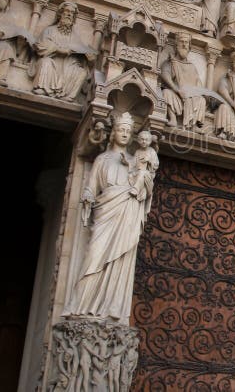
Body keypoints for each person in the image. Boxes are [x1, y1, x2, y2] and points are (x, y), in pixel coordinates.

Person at [64, 113, 155, 323]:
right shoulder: (102, 159)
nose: (124, 134)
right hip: (106, 211)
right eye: (121, 130)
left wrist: (144, 180)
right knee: (94, 256)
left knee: (119, 258)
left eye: (128, 131)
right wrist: (87, 195)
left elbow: (145, 188)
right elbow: (91, 187)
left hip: (127, 212)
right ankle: (80, 305)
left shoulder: (135, 161)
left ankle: (109, 306)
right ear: (113, 133)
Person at [32, 2, 95, 101]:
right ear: (60, 14)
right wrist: (58, 49)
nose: (69, 14)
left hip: (67, 67)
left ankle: (68, 96)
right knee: (45, 62)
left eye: (72, 13)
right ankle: (43, 87)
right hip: (52, 62)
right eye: (67, 11)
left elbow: (83, 56)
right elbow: (41, 46)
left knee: (82, 72)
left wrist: (90, 59)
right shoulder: (50, 30)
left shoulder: (75, 37)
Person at [160, 32, 207, 129]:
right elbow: (165, 75)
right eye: (182, 42)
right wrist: (177, 90)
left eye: (186, 42)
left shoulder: (192, 66)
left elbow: (198, 83)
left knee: (201, 100)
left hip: (191, 97)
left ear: (189, 47)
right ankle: (173, 119)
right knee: (166, 93)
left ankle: (193, 124)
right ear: (176, 45)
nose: (184, 45)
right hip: (177, 95)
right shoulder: (170, 62)